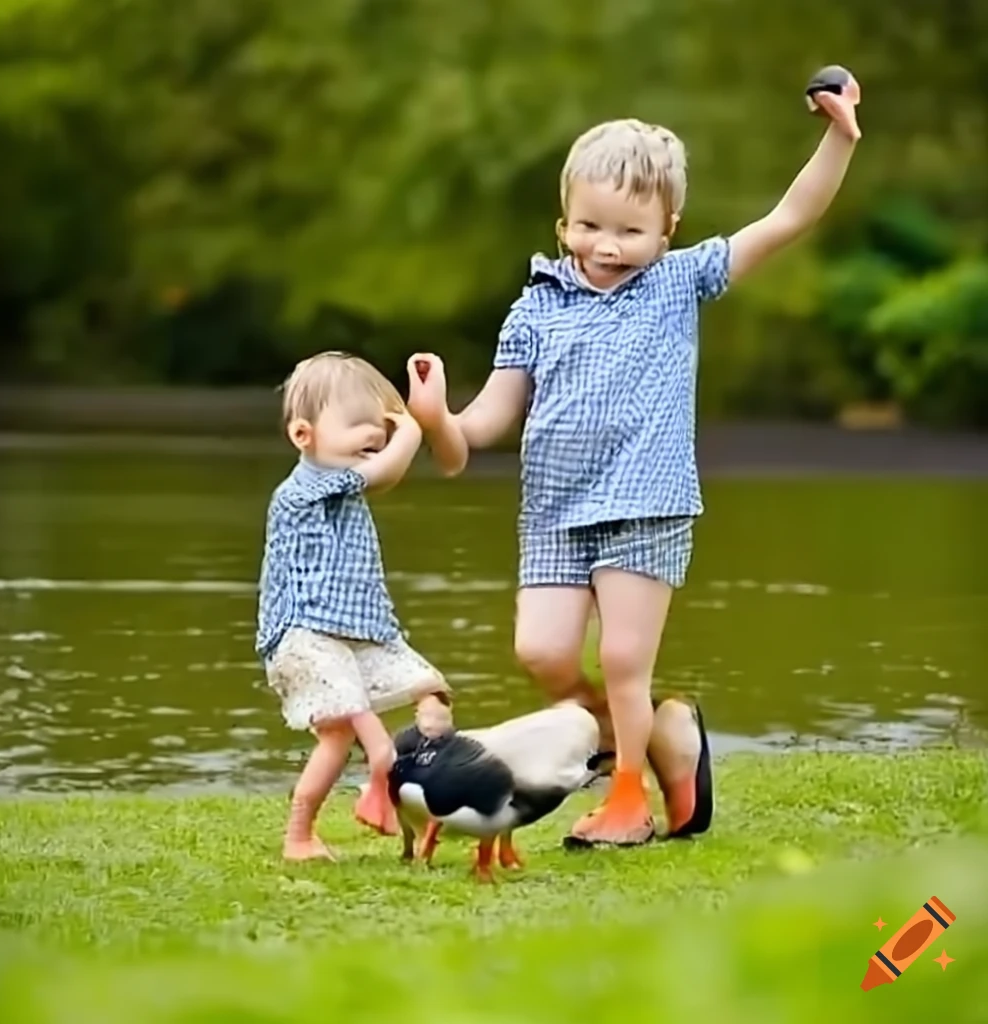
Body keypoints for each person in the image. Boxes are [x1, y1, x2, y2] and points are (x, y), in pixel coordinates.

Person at [405, 71, 862, 847]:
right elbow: (476, 431)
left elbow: (789, 217)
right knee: (543, 653)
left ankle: (627, 799)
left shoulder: (679, 282)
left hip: (645, 499)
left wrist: (839, 138)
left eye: (630, 231)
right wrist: (437, 418)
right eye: (589, 226)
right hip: (555, 509)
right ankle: (664, 741)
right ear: (563, 223)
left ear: (667, 230)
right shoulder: (537, 306)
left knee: (622, 658)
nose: (607, 246)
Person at [256, 351, 452, 861]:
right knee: (367, 737)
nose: (375, 434)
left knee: (423, 688)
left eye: (380, 427)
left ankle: (313, 829)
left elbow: (383, 473)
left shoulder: (347, 485)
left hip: (350, 630)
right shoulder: (303, 492)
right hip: (303, 635)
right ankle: (378, 771)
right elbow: (385, 468)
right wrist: (412, 428)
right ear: (303, 435)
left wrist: (404, 425)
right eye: (358, 425)